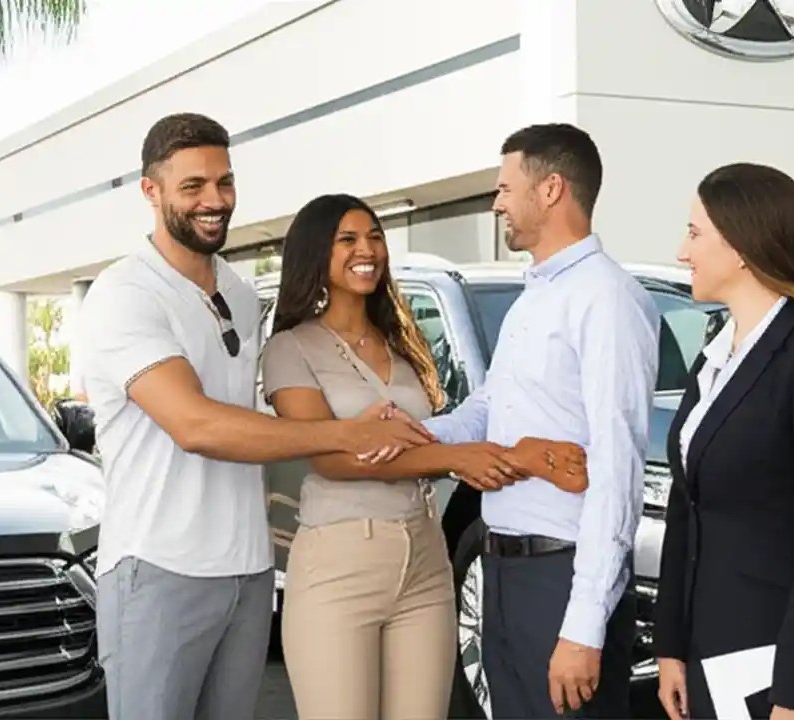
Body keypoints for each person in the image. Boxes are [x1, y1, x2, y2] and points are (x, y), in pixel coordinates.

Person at [77, 113, 436, 720]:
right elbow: (197, 425)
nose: (214, 201)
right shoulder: (126, 294)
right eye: (193, 186)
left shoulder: (240, 294)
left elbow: (258, 419)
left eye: (224, 183)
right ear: (151, 191)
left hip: (246, 573)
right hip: (160, 569)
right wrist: (349, 430)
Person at [260, 194, 590, 720]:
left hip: (424, 559)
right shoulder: (290, 349)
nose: (366, 249)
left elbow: (422, 434)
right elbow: (330, 456)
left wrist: (507, 455)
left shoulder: (399, 343)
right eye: (347, 239)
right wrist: (460, 457)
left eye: (373, 236)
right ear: (314, 254)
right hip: (340, 562)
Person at [424, 123, 660, 718]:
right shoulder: (534, 296)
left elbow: (616, 463)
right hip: (502, 573)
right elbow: (487, 408)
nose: (497, 202)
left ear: (551, 188)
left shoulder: (606, 298)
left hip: (561, 577)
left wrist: (583, 624)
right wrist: (418, 436)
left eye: (506, 187)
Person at [652, 162, 794, 720]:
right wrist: (671, 646)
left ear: (743, 243)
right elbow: (687, 507)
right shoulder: (713, 359)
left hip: (783, 671)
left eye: (695, 232)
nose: (682, 251)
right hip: (711, 659)